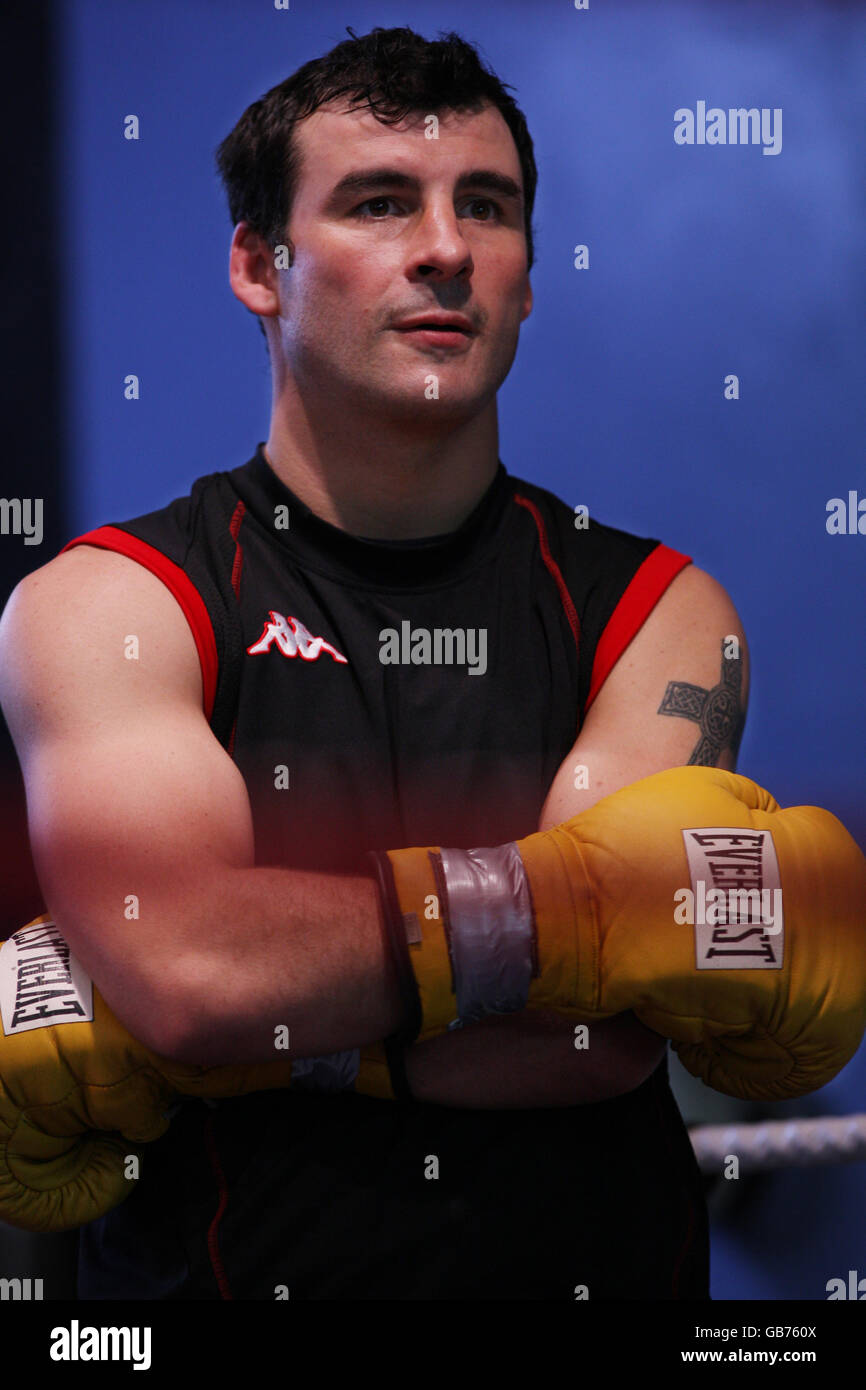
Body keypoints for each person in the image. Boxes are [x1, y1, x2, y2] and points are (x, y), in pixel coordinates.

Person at [0, 26, 771, 1300]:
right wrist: (552, 916)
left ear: (527, 274)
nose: (447, 249)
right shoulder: (111, 606)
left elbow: (600, 1030)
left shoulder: (661, 610)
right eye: (377, 202)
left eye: (487, 205)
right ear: (261, 264)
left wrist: (246, 1022)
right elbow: (193, 968)